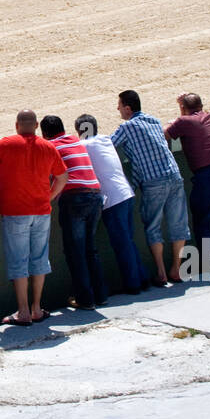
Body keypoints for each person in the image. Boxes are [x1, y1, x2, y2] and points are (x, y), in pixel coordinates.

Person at [0, 110, 67, 326]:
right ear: (37, 125)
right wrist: (48, 198)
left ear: (16, 125)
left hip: (15, 213)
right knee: (39, 259)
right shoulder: (48, 146)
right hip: (41, 212)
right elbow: (62, 177)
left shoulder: (7, 143)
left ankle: (23, 311)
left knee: (18, 261)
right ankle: (36, 309)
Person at [111, 89, 189, 287]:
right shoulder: (154, 121)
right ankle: (177, 268)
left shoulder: (127, 126)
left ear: (127, 108)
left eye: (119, 106)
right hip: (174, 175)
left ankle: (161, 272)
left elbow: (109, 145)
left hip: (153, 181)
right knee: (178, 224)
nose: (118, 109)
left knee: (153, 227)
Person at [166, 93, 210, 277]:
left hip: (207, 174)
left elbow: (166, 133)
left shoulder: (184, 121)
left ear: (183, 108)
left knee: (202, 219)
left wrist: (177, 115)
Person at [75, 115, 147, 295]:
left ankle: (133, 284)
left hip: (113, 200)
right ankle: (142, 279)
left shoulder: (84, 146)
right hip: (126, 194)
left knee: (122, 243)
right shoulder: (105, 139)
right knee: (128, 241)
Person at [41, 115, 106, 309]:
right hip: (95, 194)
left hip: (74, 197)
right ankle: (101, 295)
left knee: (75, 252)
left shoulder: (50, 147)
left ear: (44, 134)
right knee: (90, 249)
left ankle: (85, 299)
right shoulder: (74, 140)